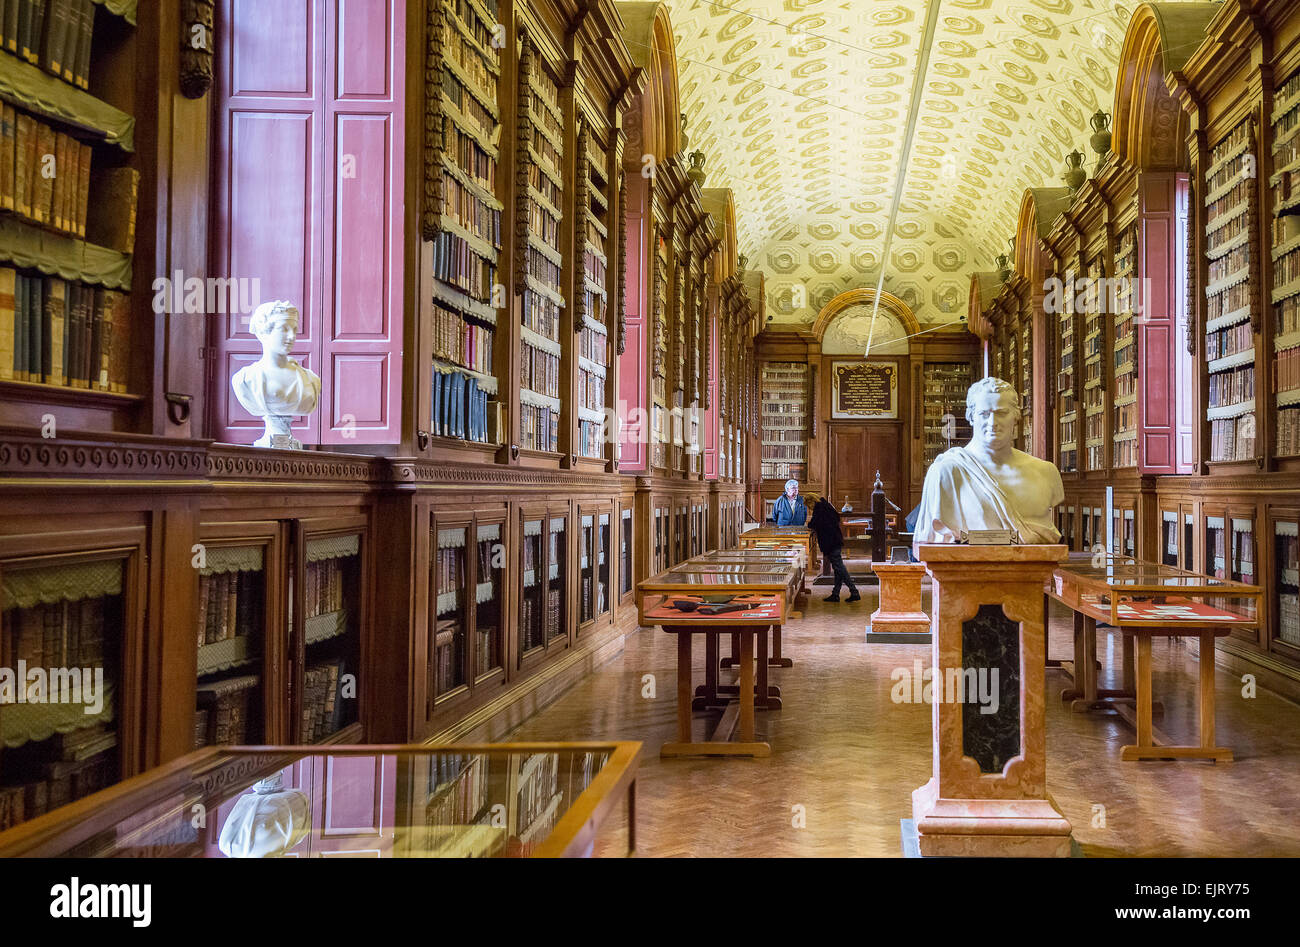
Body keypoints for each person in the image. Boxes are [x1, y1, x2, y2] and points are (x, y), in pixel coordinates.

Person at [912, 376, 1064, 555]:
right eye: (984, 414)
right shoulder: (946, 472)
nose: (993, 423)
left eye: (1001, 413)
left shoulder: (1045, 472)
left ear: (1016, 416)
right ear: (971, 416)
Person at [809, 495, 859, 602]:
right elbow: (836, 518)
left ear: (811, 502)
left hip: (830, 541)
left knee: (839, 567)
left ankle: (854, 591)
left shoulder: (819, 509)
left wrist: (810, 524)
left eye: (809, 506)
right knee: (838, 568)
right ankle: (835, 594)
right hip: (835, 539)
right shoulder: (826, 505)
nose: (810, 508)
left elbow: (814, 523)